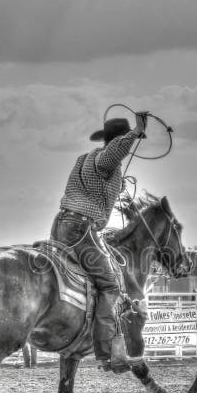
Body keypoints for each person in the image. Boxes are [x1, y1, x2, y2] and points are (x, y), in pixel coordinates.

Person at [51, 112, 148, 373]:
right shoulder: (106, 160)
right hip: (81, 230)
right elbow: (114, 152)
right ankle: (107, 353)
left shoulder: (84, 159)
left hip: (61, 226)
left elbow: (95, 183)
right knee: (111, 285)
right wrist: (136, 132)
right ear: (117, 140)